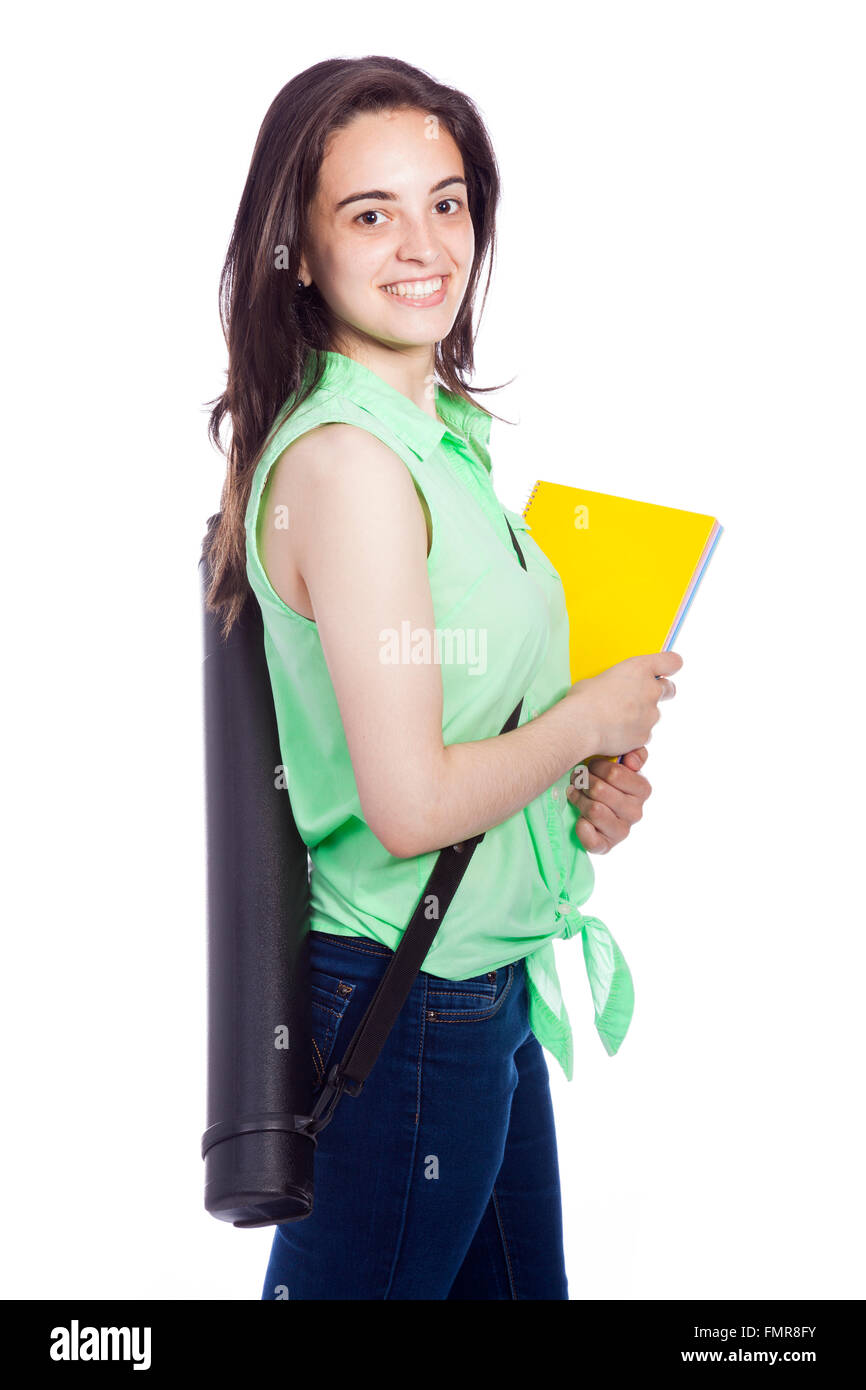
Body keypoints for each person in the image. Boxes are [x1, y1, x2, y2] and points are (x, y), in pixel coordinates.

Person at [203, 56, 682, 1300]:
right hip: (408, 1007)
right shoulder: (355, 463)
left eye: (447, 201)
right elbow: (410, 804)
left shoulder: (437, 437)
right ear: (297, 251)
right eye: (370, 213)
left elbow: (457, 723)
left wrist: (577, 793)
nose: (423, 244)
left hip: (480, 988)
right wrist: (586, 714)